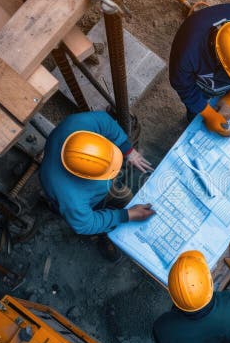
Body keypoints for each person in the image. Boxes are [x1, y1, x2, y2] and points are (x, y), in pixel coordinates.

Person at [40, 111, 155, 260]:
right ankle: (104, 236)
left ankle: (114, 222)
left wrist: (128, 151)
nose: (117, 170)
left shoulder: (78, 125)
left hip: (96, 189)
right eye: (109, 172)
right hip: (89, 201)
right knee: (102, 221)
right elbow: (85, 224)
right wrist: (126, 215)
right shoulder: (71, 199)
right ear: (85, 177)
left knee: (126, 198)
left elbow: (105, 122)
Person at [169, 3, 230, 137]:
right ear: (218, 56)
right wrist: (207, 113)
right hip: (201, 86)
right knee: (198, 119)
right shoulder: (187, 51)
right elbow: (183, 85)